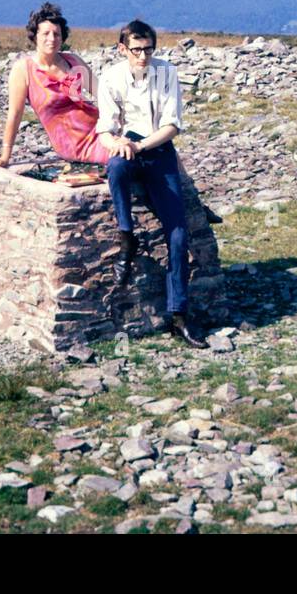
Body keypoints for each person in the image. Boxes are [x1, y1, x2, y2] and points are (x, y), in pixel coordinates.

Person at [96, 19, 208, 348]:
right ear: (122, 49)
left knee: (177, 232)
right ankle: (126, 234)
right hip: (126, 146)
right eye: (136, 50)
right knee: (115, 168)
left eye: (148, 49)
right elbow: (104, 127)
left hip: (156, 149)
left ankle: (178, 315)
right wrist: (117, 143)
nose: (142, 56)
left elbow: (173, 124)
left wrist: (142, 146)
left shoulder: (167, 73)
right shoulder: (111, 77)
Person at [0, 2, 111, 168]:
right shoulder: (24, 69)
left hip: (101, 130)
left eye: (56, 34)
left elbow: (105, 96)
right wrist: (4, 157)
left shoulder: (73, 62)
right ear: (35, 36)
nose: (52, 39)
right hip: (74, 143)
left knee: (145, 147)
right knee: (126, 157)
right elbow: (15, 113)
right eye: (46, 34)